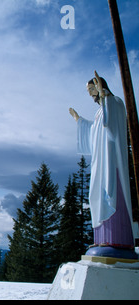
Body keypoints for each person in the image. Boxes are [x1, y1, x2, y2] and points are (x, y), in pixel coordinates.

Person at [69, 71, 136, 257]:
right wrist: (80, 122)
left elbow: (111, 126)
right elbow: (95, 131)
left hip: (111, 162)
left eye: (92, 88)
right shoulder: (100, 111)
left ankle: (118, 241)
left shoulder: (114, 103)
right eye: (89, 90)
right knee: (97, 195)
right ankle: (101, 239)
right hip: (100, 161)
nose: (90, 93)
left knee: (111, 192)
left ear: (100, 85)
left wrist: (105, 96)